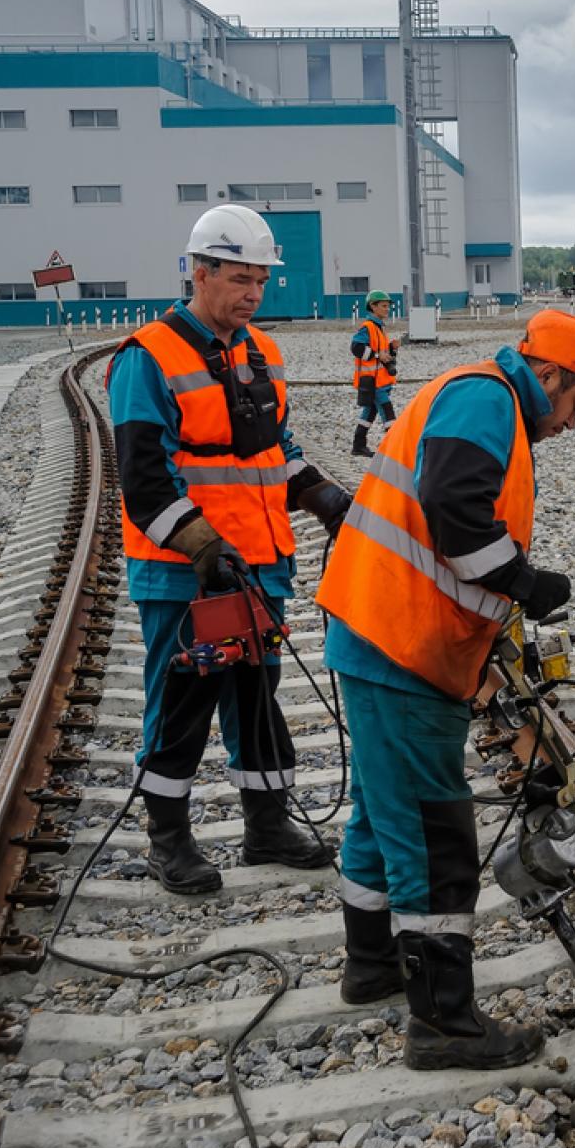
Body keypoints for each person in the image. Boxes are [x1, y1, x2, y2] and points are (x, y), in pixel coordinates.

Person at [315, 310, 575, 1069]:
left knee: (383, 818)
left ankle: (372, 966)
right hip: (401, 648)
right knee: (433, 833)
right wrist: (526, 582)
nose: (574, 422)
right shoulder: (486, 399)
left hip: (388, 638)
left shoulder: (485, 403)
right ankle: (444, 1024)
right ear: (549, 374)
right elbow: (455, 512)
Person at [108, 204, 353, 896]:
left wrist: (327, 500)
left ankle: (267, 825)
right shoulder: (147, 358)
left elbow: (277, 451)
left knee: (255, 697)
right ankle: (169, 840)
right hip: (186, 573)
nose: (252, 293)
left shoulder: (263, 353)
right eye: (240, 279)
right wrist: (202, 546)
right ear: (199, 272)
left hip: (259, 566)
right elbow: (143, 480)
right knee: (182, 700)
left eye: (260, 281)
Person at [350, 291, 400, 458]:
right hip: (374, 381)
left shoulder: (378, 327)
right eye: (384, 306)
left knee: (369, 412)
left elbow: (384, 356)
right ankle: (395, 449)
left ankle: (358, 445)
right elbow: (356, 348)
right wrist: (378, 355)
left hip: (379, 381)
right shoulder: (368, 327)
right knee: (388, 413)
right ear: (373, 306)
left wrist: (392, 349)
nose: (388, 309)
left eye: (388, 306)